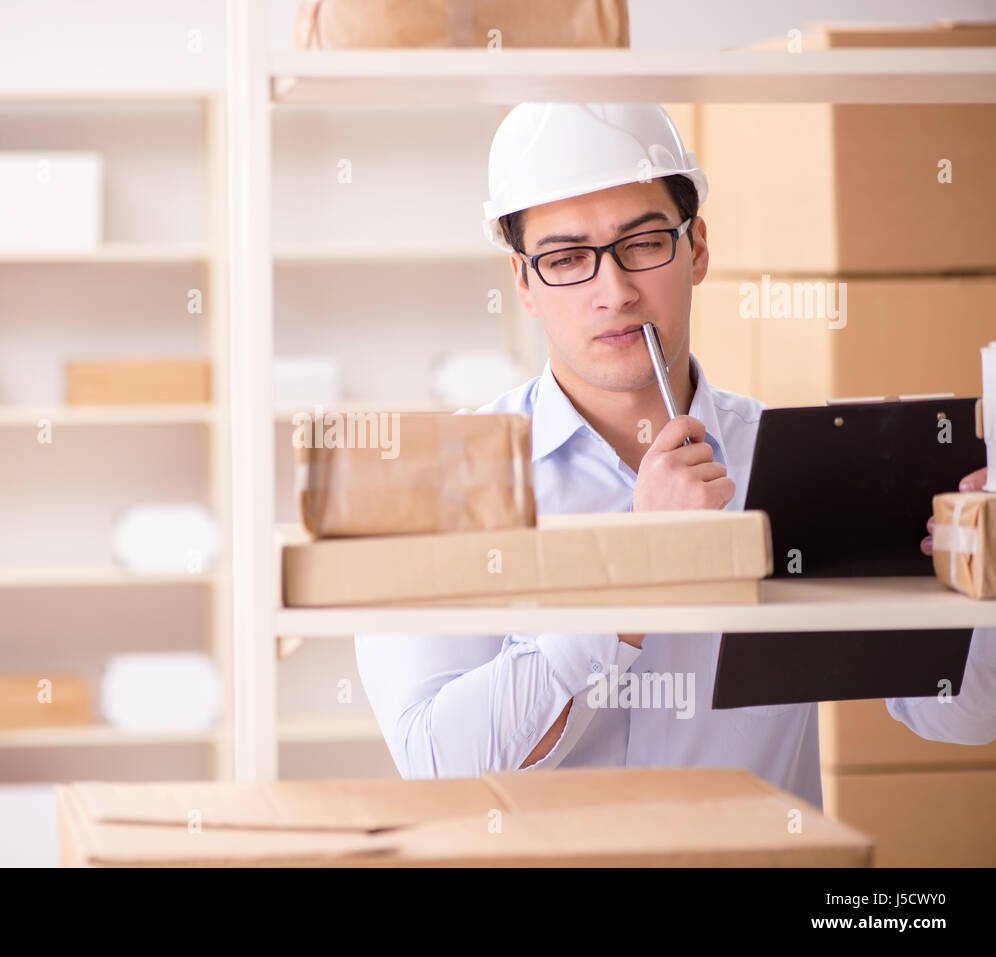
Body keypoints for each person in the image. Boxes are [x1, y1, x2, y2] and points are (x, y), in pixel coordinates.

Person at [354, 103, 996, 809]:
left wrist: (978, 579)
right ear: (524, 282)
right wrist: (640, 568)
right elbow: (441, 764)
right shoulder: (440, 482)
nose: (616, 291)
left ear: (697, 250)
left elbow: (960, 717)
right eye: (567, 259)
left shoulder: (796, 460)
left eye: (644, 243)